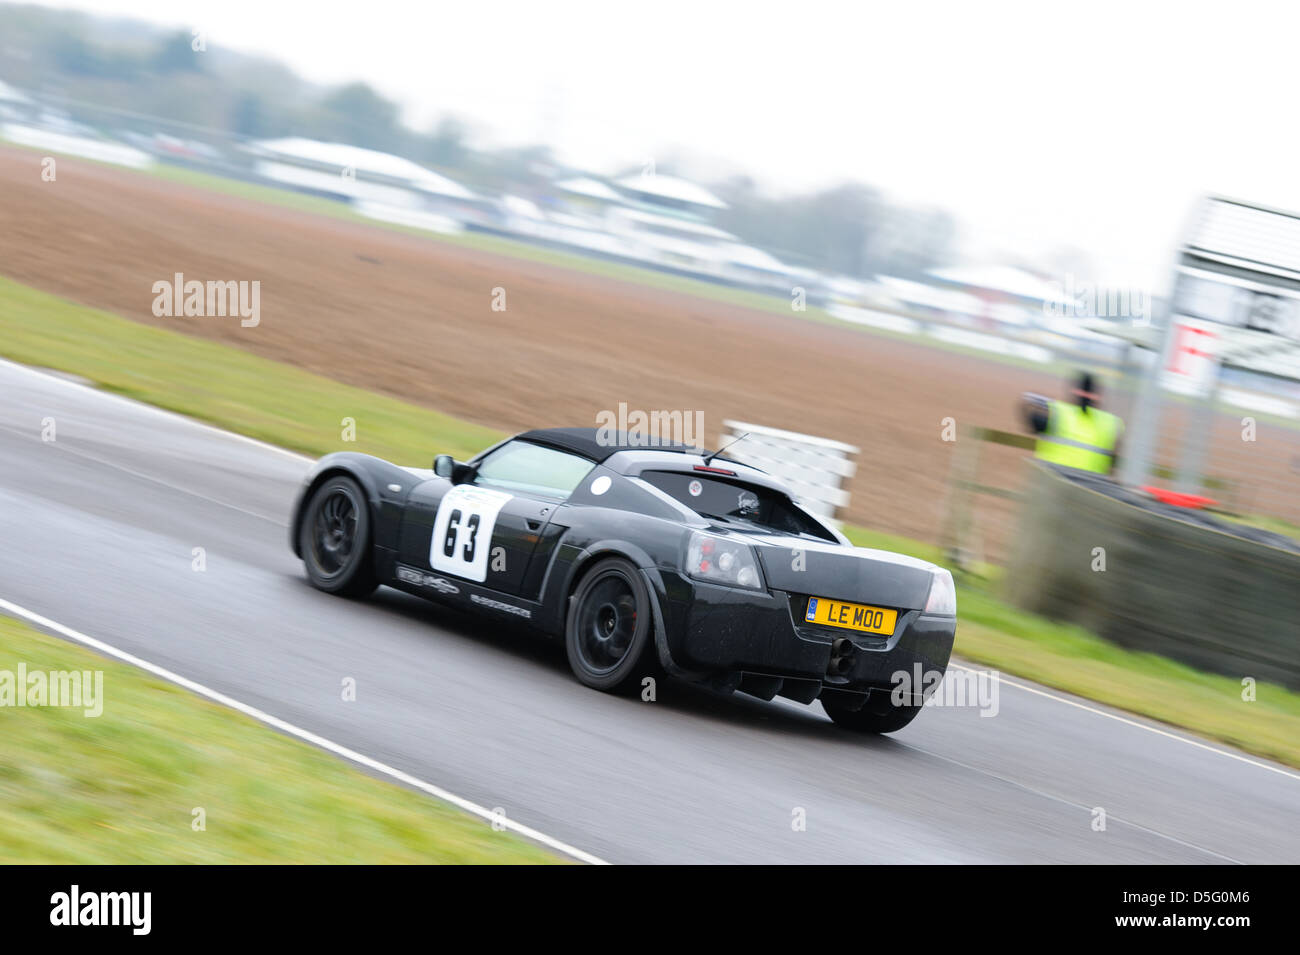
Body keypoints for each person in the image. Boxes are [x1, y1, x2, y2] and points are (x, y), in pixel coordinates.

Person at [1022, 371, 1123, 475]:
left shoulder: (1057, 411)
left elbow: (1027, 404)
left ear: (1075, 391)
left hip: (1052, 481)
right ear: (1098, 396)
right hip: (1091, 486)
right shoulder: (1112, 423)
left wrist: (1044, 402)